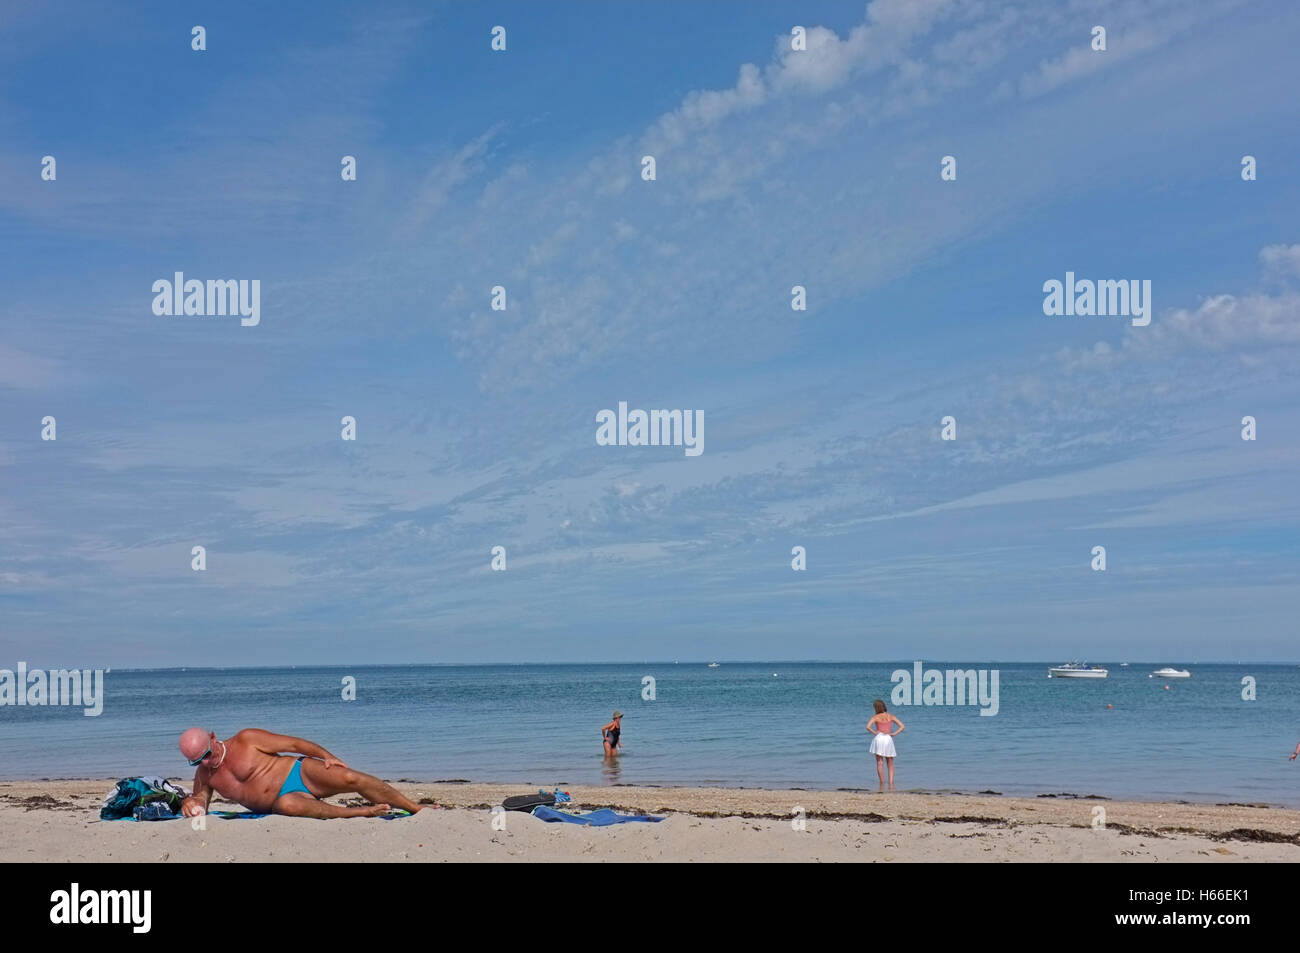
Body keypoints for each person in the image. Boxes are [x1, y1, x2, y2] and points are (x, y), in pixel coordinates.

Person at [177, 727, 427, 819]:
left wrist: (326, 756)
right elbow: (201, 802)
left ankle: (414, 807)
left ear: (213, 737)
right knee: (289, 806)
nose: (206, 762)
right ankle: (362, 812)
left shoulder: (246, 739)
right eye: (197, 761)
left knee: (351, 778)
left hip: (299, 773)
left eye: (206, 754)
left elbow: (294, 745)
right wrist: (191, 803)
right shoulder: (205, 774)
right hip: (282, 802)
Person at [866, 699, 904, 792]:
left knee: (880, 762)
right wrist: (894, 733)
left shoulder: (875, 717)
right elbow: (902, 726)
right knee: (890, 762)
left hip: (879, 738)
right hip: (887, 738)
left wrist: (875, 732)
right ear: (884, 706)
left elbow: (867, 727)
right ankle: (891, 783)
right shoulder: (890, 716)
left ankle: (882, 783)